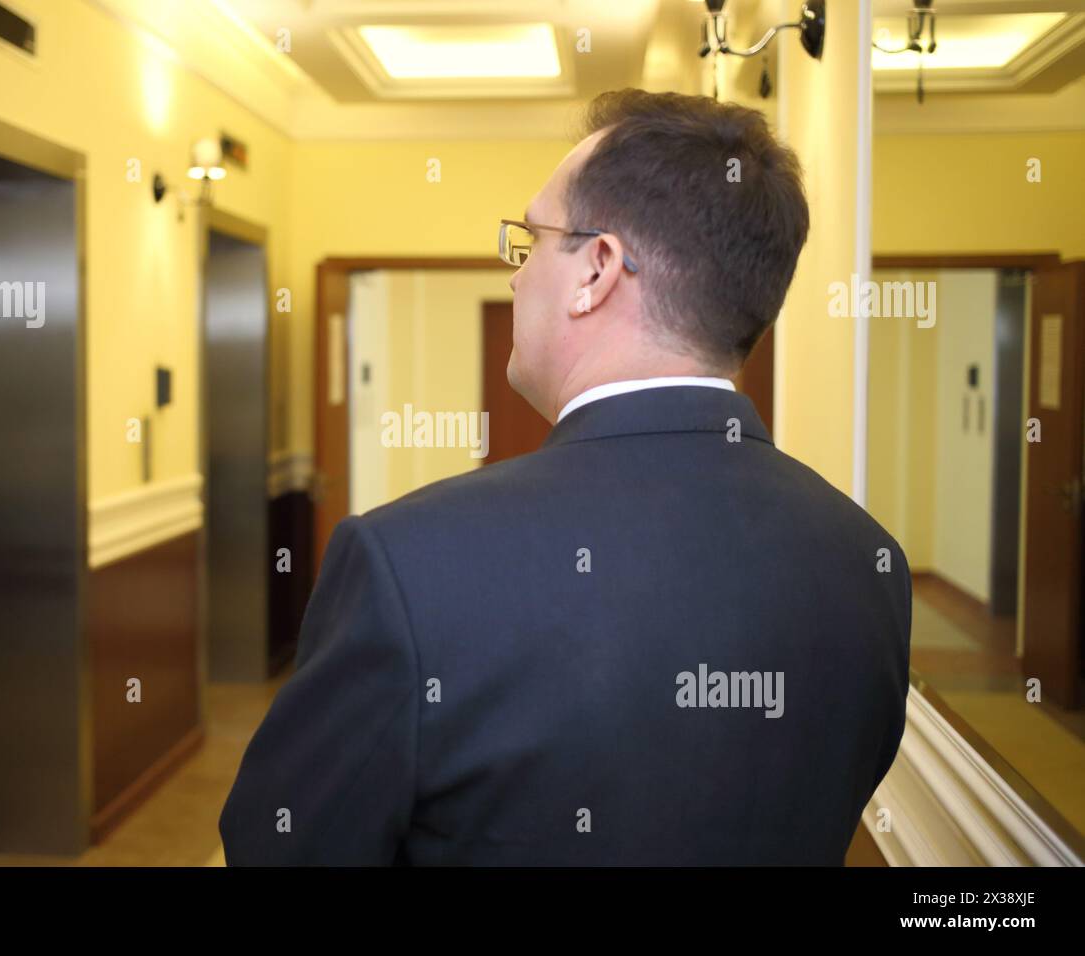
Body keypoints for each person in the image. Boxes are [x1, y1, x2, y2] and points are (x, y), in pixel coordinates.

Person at [219, 88, 911, 865]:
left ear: (597, 269)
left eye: (529, 241)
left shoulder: (407, 565)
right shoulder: (870, 560)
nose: (515, 277)